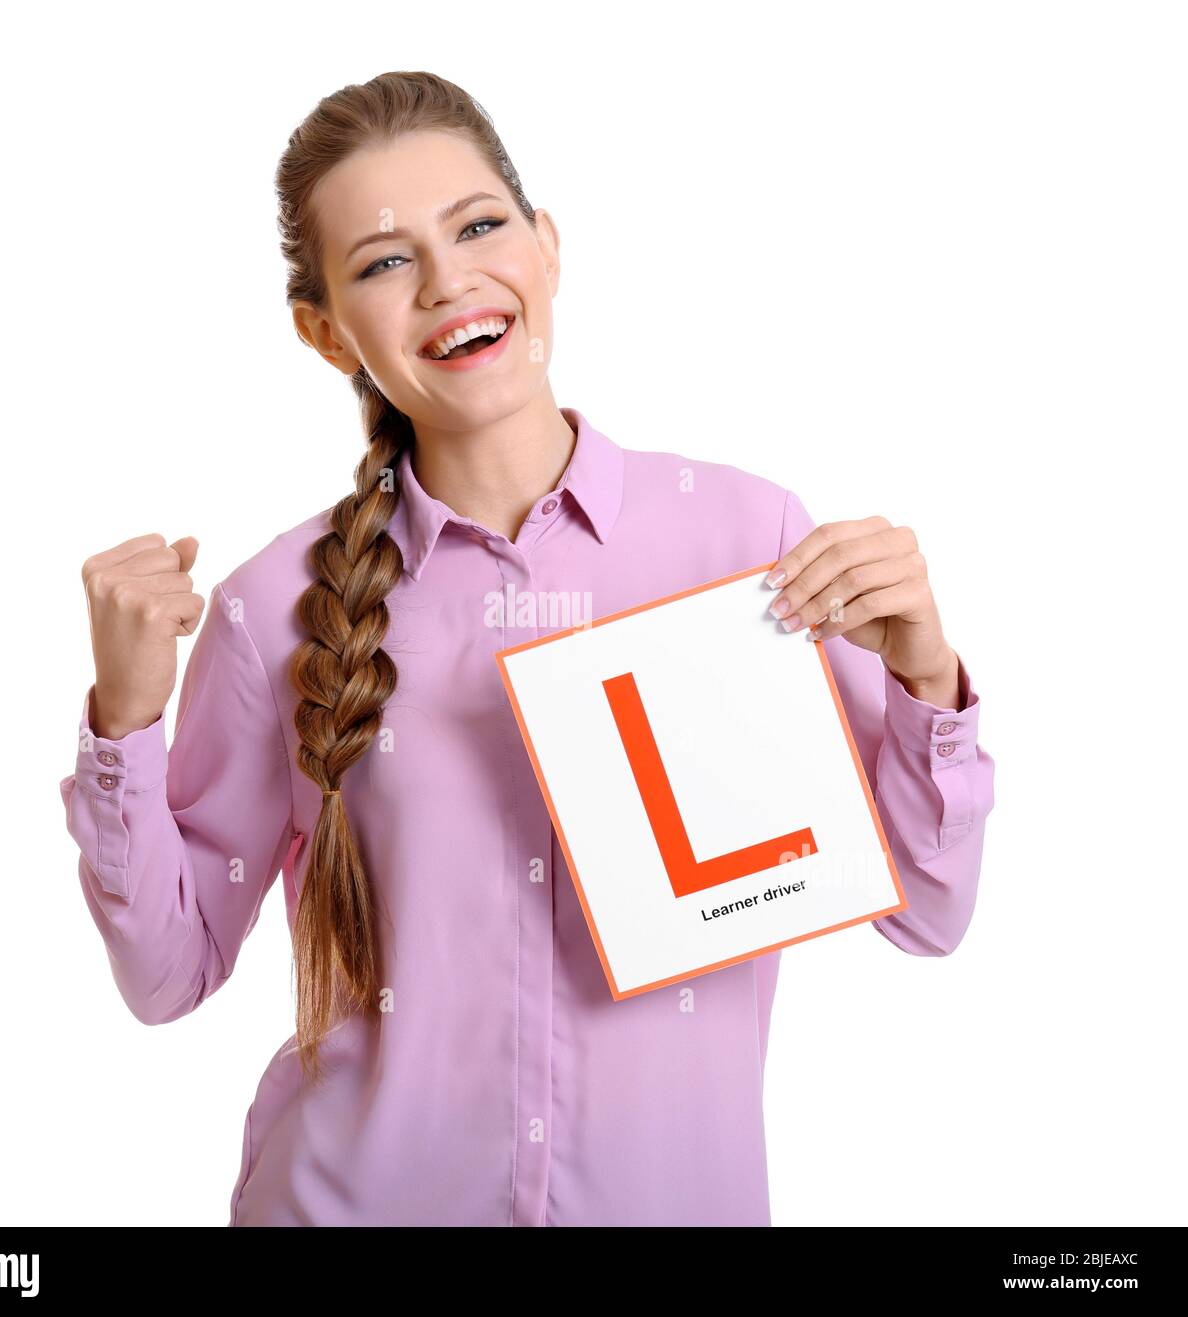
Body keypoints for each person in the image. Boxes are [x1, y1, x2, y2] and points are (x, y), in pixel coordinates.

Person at [60, 70, 995, 1227]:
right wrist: (126, 724)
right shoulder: (274, 609)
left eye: (480, 226)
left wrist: (921, 678)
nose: (450, 282)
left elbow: (927, 913)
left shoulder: (748, 543)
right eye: (383, 262)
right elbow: (166, 974)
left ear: (546, 248)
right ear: (324, 332)